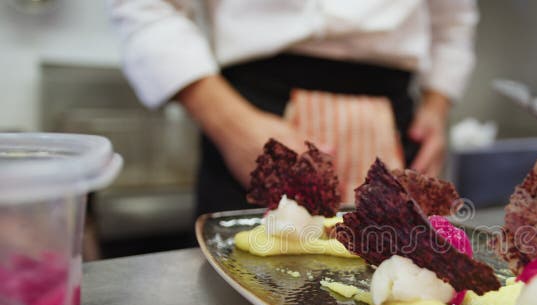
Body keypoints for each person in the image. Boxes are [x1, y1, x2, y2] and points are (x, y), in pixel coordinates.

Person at [107, 0, 478, 214]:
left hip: (394, 125)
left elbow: (453, 20)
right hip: (252, 119)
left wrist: (436, 105)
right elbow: (146, 7)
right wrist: (231, 126)